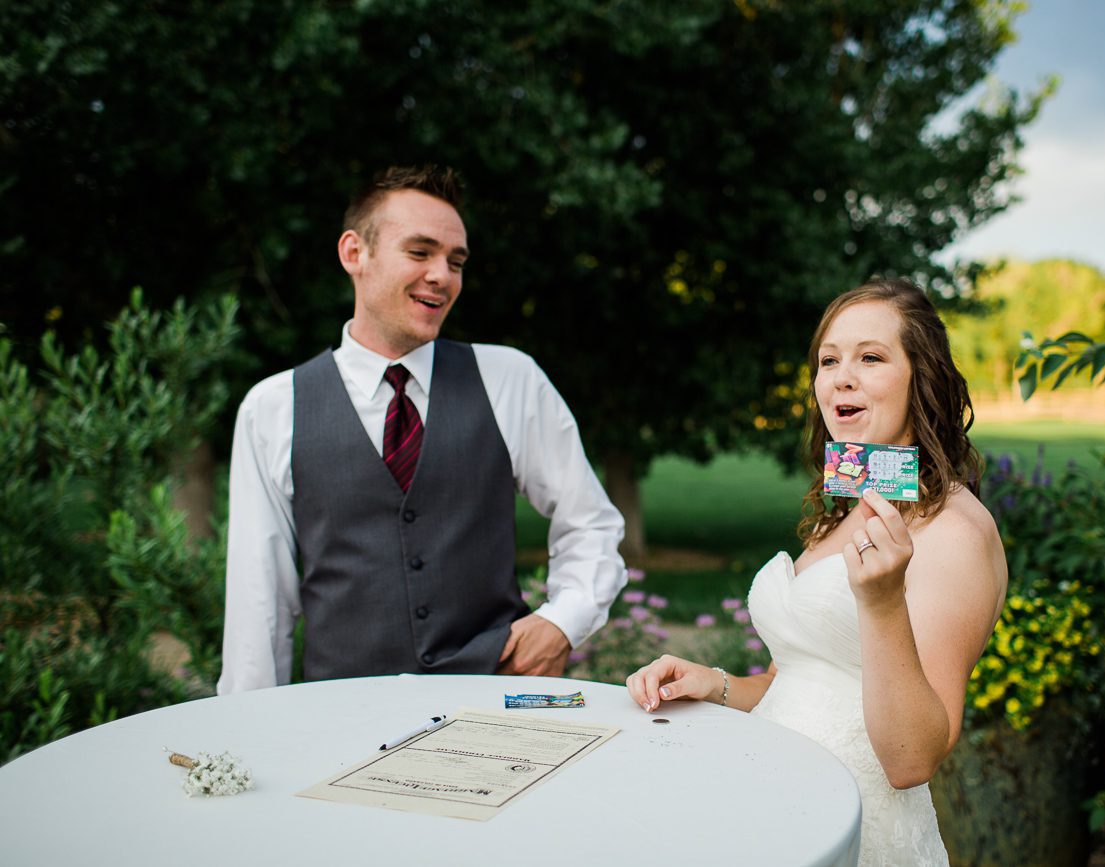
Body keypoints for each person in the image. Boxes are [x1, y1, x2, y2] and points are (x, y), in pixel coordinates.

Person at [626, 279, 1007, 865]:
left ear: (921, 378)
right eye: (829, 361)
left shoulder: (955, 531)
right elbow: (795, 681)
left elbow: (913, 759)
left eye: (871, 358)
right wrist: (716, 684)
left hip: (858, 826)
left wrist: (882, 604)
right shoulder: (840, 515)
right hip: (769, 805)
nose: (841, 377)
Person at [217, 165, 626, 694]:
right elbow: (259, 600)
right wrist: (250, 734)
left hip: (494, 705)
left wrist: (562, 620)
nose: (443, 276)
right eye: (420, 252)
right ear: (353, 254)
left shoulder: (510, 379)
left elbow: (590, 523)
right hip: (340, 716)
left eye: (456, 261)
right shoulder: (272, 409)